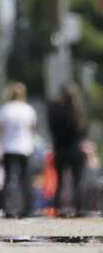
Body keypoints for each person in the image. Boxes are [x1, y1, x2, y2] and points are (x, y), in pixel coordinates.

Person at [0, 81, 38, 217]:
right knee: (25, 179)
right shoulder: (28, 109)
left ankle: (8, 208)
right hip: (25, 147)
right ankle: (27, 208)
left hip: (8, 147)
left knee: (8, 179)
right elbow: (32, 128)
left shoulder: (4, 109)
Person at [47, 83, 89, 216]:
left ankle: (58, 208)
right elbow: (84, 132)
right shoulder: (79, 111)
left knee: (59, 181)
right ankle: (79, 208)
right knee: (77, 181)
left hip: (60, 149)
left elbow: (51, 127)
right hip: (76, 149)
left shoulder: (56, 110)